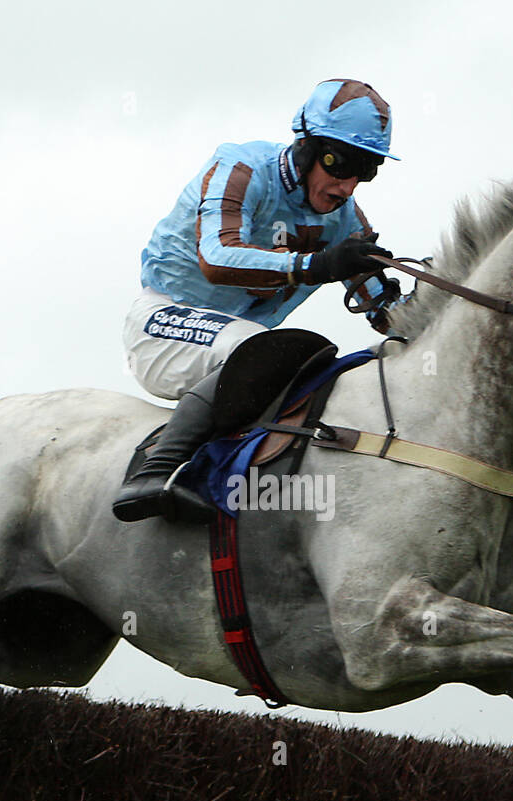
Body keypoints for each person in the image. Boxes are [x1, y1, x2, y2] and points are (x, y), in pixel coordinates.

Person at [112, 77, 401, 524]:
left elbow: (388, 312)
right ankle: (156, 471)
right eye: (340, 164)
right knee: (272, 346)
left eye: (366, 171)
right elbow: (215, 256)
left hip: (241, 357)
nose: (348, 186)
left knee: (317, 360)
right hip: (161, 324)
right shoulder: (242, 166)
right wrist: (318, 265)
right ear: (307, 149)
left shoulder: (346, 219)